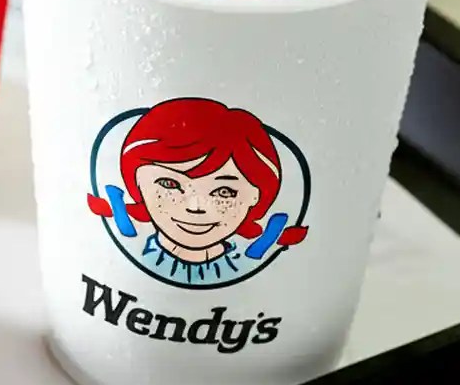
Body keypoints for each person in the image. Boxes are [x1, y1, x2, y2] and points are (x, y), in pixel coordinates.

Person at [88, 98, 307, 286]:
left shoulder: (246, 262)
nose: (195, 207)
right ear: (137, 185)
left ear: (256, 196)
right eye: (169, 184)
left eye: (223, 191)